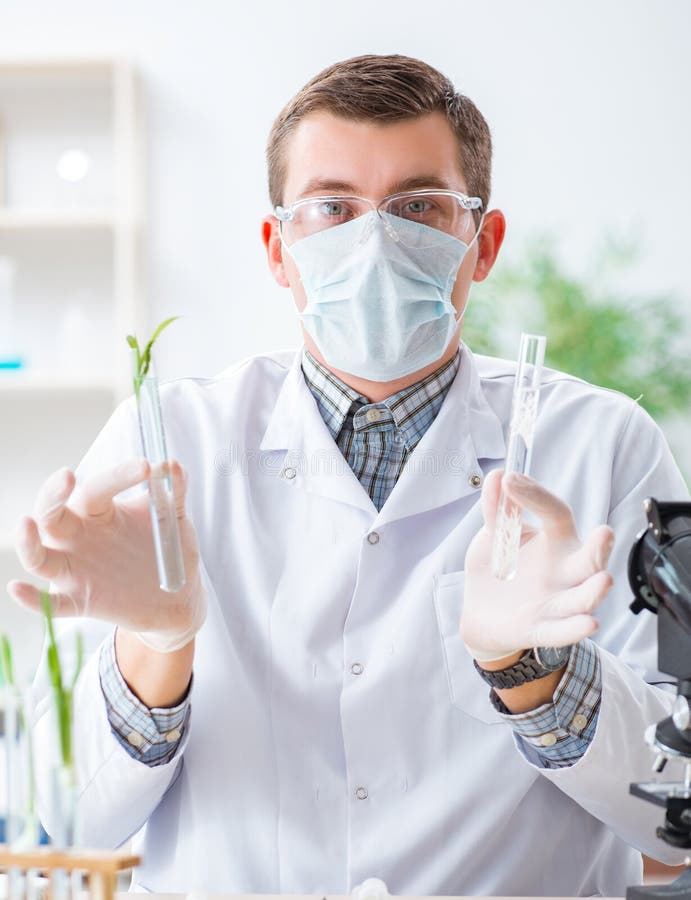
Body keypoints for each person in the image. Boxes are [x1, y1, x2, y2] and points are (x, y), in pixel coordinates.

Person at [10, 54, 690, 896]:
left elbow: (675, 814)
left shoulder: (601, 445)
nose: (373, 240)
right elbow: (68, 818)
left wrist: (533, 669)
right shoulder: (164, 441)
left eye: (418, 207)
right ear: (278, 247)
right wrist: (158, 645)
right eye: (331, 207)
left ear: (482, 244)